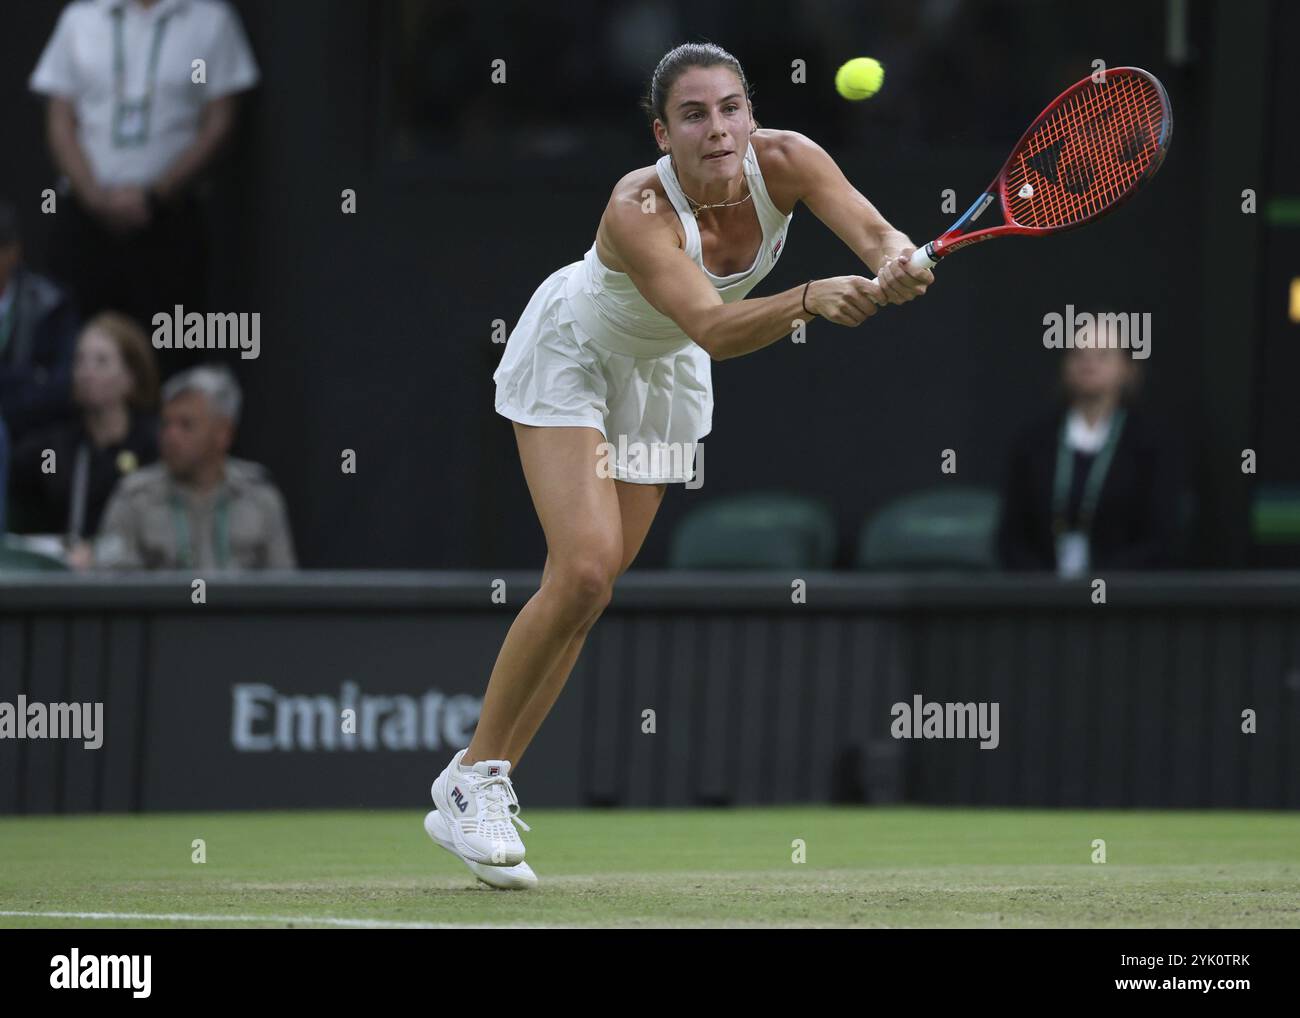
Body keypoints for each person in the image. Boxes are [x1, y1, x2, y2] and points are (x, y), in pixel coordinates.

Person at [423, 42, 933, 890]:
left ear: (751, 114)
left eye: (731, 107)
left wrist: (897, 260)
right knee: (581, 566)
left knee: (592, 590)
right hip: (576, 354)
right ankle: (472, 777)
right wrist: (809, 296)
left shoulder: (792, 161)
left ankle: (485, 778)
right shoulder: (638, 207)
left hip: (660, 379)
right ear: (663, 133)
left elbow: (877, 233)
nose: (718, 128)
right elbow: (715, 327)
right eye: (694, 115)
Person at [29, 0, 259, 343]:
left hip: (171, 221)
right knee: (75, 351)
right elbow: (60, 121)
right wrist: (96, 198)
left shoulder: (210, 21)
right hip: (84, 223)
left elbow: (220, 122)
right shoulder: (80, 19)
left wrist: (156, 195)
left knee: (171, 352)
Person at [996, 337, 1186, 575]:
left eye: (1103, 355)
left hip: (1125, 598)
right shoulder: (1033, 443)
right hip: (1042, 596)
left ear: (1128, 368)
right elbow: (1010, 538)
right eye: (1079, 354)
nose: (1088, 363)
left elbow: (1163, 539)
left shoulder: (1150, 445)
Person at [95, 364, 295, 570]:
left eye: (186, 425)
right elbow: (110, 584)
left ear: (223, 434)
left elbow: (285, 590)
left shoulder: (260, 498)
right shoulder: (132, 498)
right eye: (166, 424)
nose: (170, 436)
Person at [9, 312, 159, 561]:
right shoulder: (53, 448)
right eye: (79, 360)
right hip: (65, 579)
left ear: (131, 377)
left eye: (101, 362)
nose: (86, 372)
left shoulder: (153, 447)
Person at [0, 198, 81, 443]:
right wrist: (26, 377)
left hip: (33, 438)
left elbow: (60, 389)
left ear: (13, 252)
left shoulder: (51, 304)